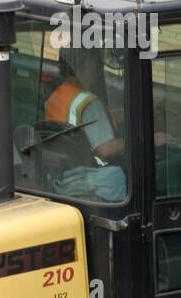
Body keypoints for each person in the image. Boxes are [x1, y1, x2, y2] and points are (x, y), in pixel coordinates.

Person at [42, 58, 127, 201]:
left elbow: (85, 120)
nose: (98, 73)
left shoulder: (57, 96)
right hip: (90, 174)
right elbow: (105, 150)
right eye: (96, 68)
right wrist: (145, 141)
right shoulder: (89, 102)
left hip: (63, 171)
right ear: (84, 68)